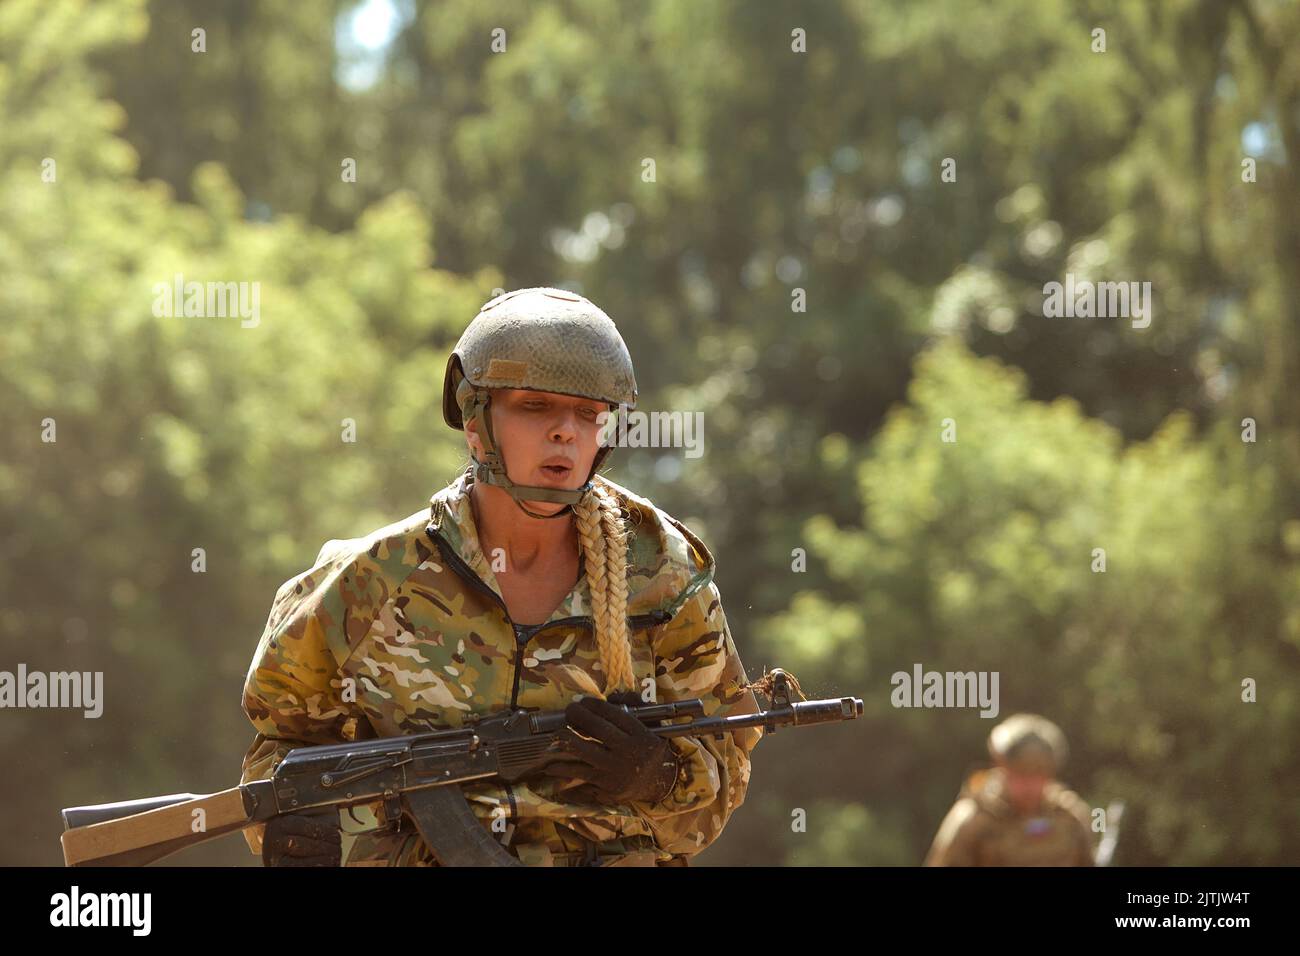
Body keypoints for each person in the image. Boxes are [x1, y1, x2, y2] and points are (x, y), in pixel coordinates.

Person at [238, 287, 764, 866]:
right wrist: (287, 835)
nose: (566, 431)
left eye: (589, 413)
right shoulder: (368, 583)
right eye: (535, 406)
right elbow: (280, 752)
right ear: (476, 423)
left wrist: (659, 779)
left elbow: (726, 765)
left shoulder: (663, 577)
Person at [924, 713, 1095, 866]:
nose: (1029, 785)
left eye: (1038, 774)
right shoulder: (973, 819)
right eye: (1020, 774)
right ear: (1001, 768)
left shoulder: (1070, 817)